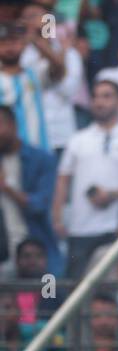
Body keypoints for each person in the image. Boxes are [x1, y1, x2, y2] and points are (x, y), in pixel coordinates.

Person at [51, 79, 118, 278]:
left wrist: (112, 194)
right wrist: (57, 219)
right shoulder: (77, 140)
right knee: (76, 287)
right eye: (96, 96)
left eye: (107, 96)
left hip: (116, 227)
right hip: (80, 227)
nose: (99, 102)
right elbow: (63, 180)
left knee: (111, 288)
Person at [0, 104, 62, 275]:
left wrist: (6, 188)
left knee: (49, 297)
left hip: (39, 250)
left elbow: (39, 205)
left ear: (12, 125)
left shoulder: (41, 159)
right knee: (8, 301)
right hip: (5, 254)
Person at [0, 18, 67, 154]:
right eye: (3, 43)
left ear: (24, 44)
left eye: (14, 41)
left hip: (38, 149)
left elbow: (59, 70)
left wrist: (36, 40)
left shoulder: (35, 72)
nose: (9, 47)